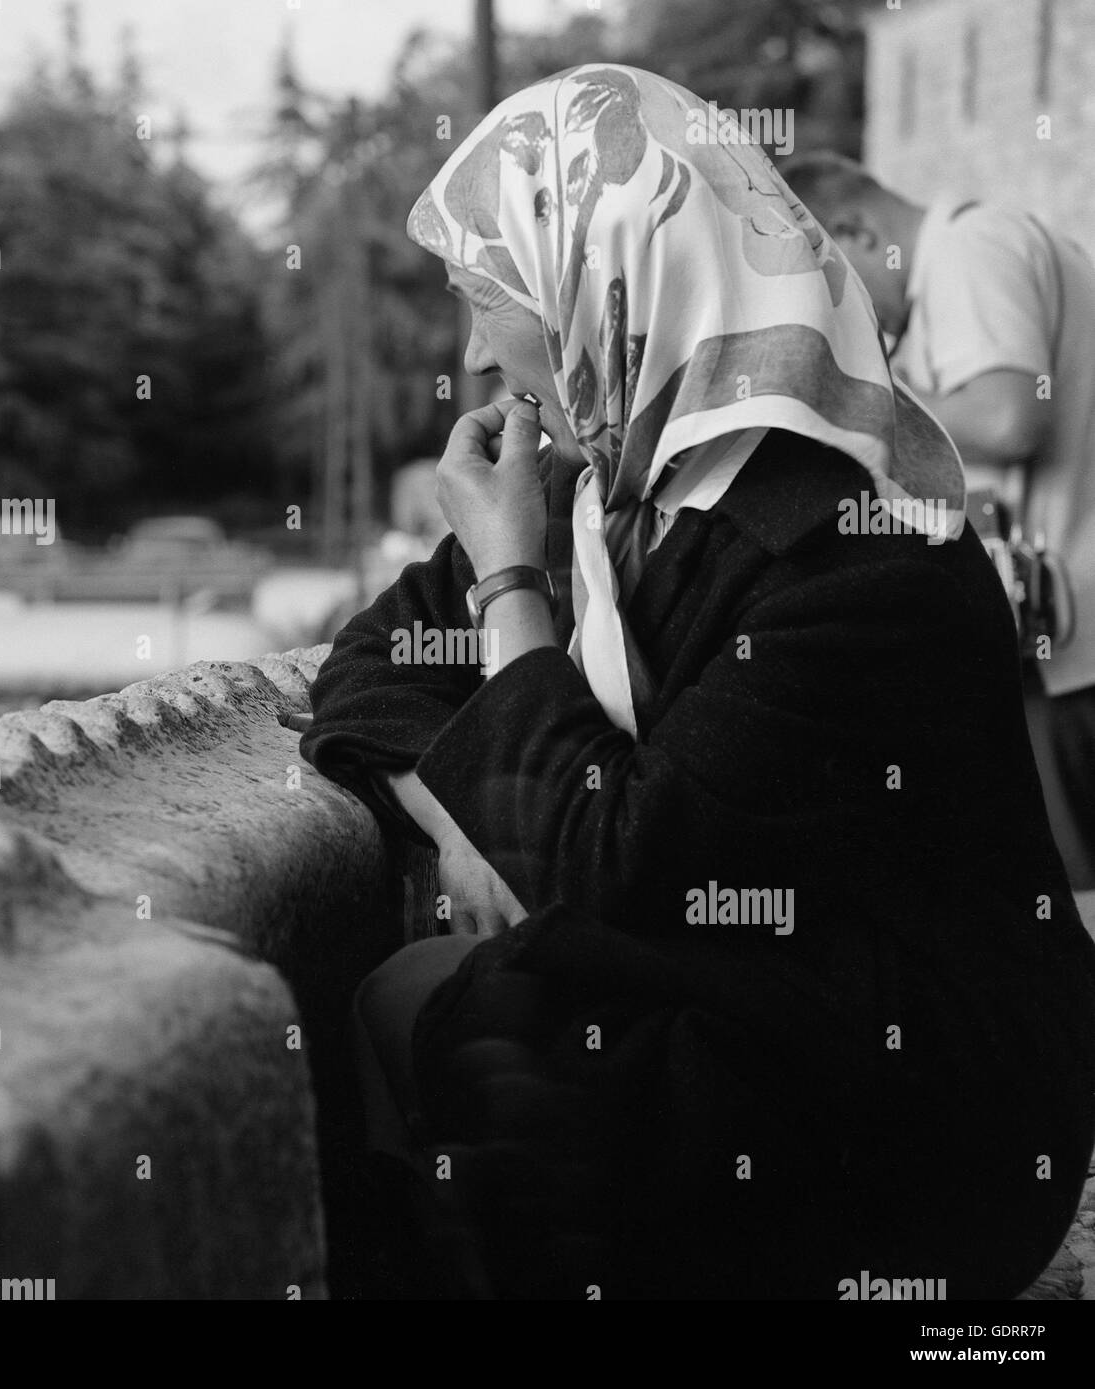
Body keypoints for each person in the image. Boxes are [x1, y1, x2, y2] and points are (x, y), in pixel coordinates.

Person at [298, 66, 1095, 1299]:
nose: (468, 354)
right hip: (751, 1019)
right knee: (434, 1003)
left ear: (603, 282)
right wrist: (461, 825)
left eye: (487, 299)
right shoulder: (606, 497)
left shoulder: (852, 557)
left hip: (911, 1123)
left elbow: (600, 866)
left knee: (484, 1025)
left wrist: (508, 584)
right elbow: (370, 666)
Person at [779, 151, 1095, 889]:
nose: (840, 320)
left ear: (857, 230)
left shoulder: (966, 249)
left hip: (1068, 652)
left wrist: (844, 407)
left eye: (833, 289)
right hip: (1064, 647)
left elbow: (1008, 416)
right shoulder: (982, 250)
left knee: (1071, 911)